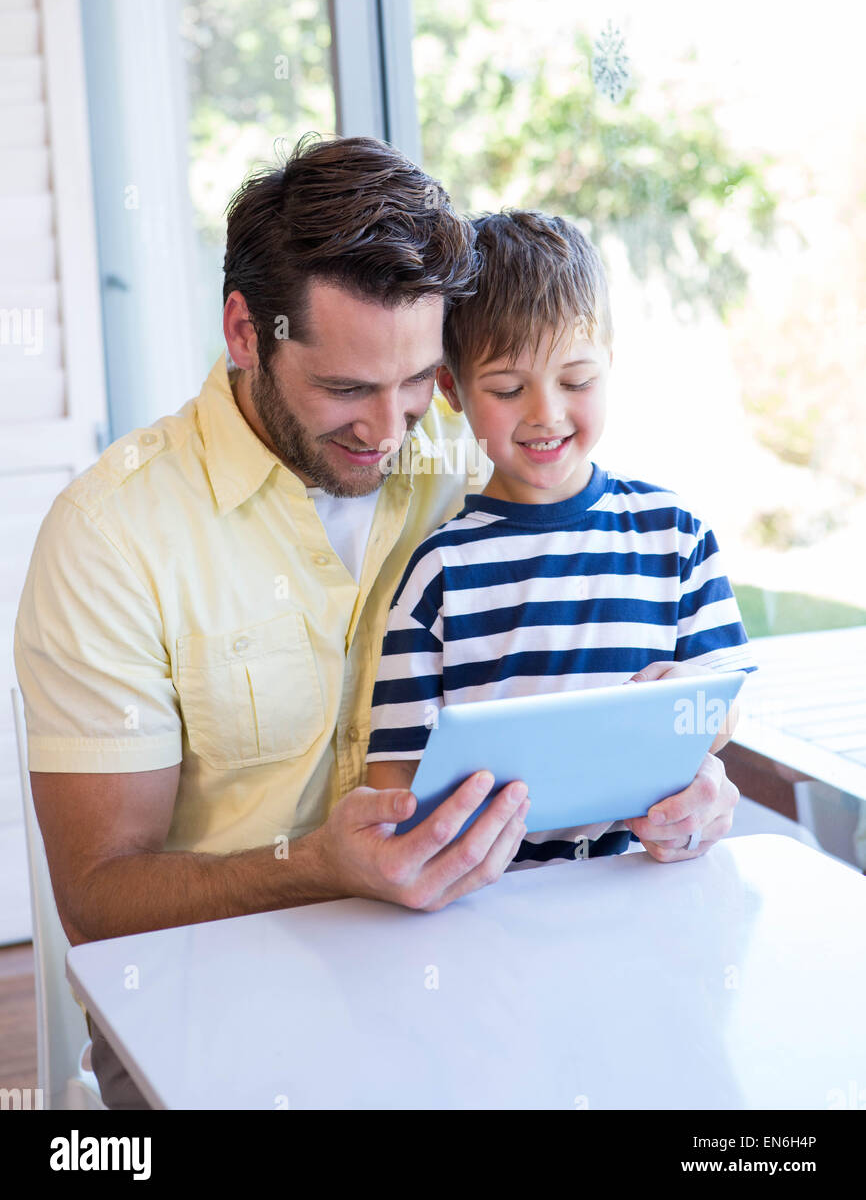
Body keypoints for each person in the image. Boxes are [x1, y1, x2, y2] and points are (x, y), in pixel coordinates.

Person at [13, 135, 533, 1107]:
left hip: (444, 968)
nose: (387, 431)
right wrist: (320, 865)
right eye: (344, 389)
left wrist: (681, 784)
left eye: (417, 382)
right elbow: (98, 892)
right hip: (202, 1007)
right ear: (246, 333)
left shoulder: (459, 471)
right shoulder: (111, 535)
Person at [365, 209, 755, 868]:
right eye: (509, 388)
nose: (546, 412)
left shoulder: (674, 537)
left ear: (610, 359)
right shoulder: (440, 572)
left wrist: (684, 704)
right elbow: (394, 780)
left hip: (639, 887)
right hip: (487, 906)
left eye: (576, 380)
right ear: (452, 389)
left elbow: (727, 705)